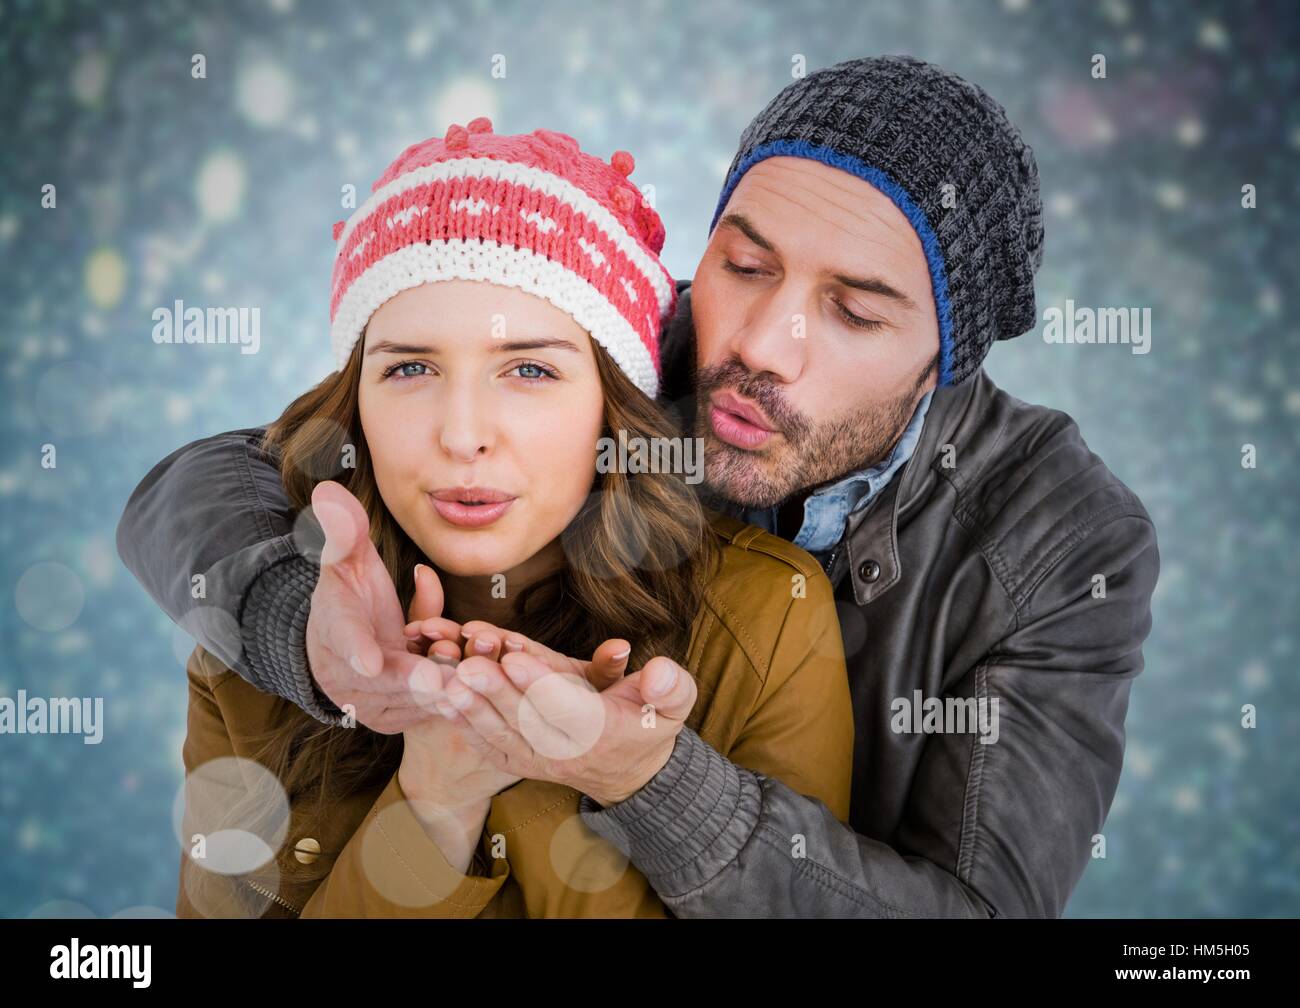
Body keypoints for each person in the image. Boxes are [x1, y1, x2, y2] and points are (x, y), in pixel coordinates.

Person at [121, 56, 1159, 919]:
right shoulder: (611, 340)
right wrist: (291, 619)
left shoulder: (1057, 544)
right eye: (745, 266)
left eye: (854, 311)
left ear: (947, 359)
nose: (757, 347)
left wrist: (644, 780)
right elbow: (231, 471)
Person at [167, 121, 852, 917]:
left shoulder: (769, 618)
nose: (462, 435)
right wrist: (436, 797)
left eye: (529, 369)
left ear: (612, 404)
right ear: (356, 399)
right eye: (410, 368)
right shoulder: (257, 642)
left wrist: (563, 786)